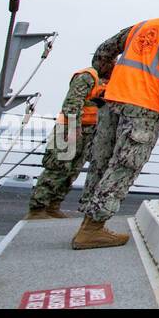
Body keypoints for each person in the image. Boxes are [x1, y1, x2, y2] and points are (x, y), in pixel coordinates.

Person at [74, 0, 159, 250]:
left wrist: (109, 78)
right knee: (124, 165)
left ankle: (88, 221)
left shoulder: (142, 26)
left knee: (102, 161)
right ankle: (93, 229)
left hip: (112, 102)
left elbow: (103, 52)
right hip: (143, 109)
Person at [24, 67, 107, 220]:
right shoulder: (88, 76)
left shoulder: (110, 81)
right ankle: (37, 209)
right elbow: (72, 102)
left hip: (88, 131)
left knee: (72, 171)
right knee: (58, 168)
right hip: (69, 128)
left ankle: (53, 206)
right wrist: (74, 127)